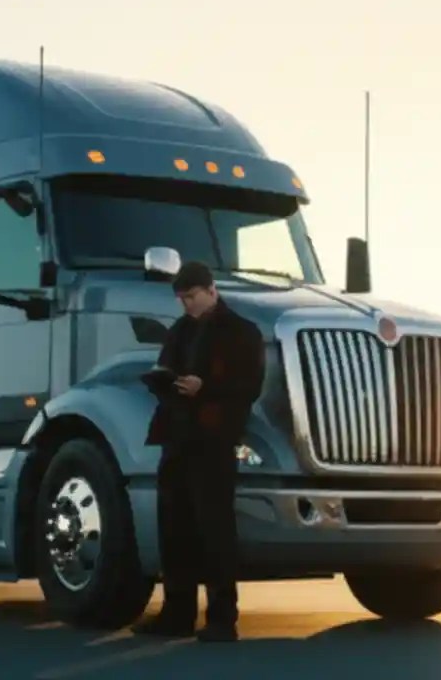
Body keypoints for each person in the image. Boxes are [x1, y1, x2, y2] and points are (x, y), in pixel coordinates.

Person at [131, 260, 265, 643]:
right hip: (177, 437)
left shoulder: (242, 332)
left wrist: (204, 387)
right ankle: (177, 613)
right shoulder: (180, 330)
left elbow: (249, 385)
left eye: (191, 297)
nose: (186, 305)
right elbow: (167, 368)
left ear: (211, 290)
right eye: (181, 298)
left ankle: (222, 619)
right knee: (174, 531)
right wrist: (166, 382)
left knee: (215, 531)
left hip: (213, 440)